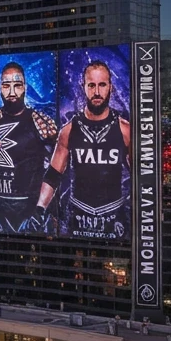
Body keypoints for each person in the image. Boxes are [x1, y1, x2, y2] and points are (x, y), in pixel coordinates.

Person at [34, 60, 131, 238]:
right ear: (83, 87)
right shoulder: (69, 130)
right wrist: (39, 210)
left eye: (102, 85)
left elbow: (142, 178)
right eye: (91, 85)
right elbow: (53, 175)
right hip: (77, 220)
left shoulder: (125, 130)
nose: (97, 92)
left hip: (114, 220)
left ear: (110, 87)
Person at [0, 62, 58, 232]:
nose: (12, 92)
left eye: (17, 85)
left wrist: (41, 209)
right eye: (6, 86)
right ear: (0, 88)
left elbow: (56, 169)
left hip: (31, 210)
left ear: (25, 87)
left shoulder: (41, 124)